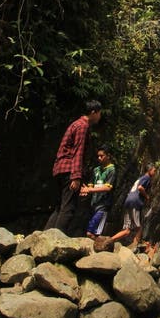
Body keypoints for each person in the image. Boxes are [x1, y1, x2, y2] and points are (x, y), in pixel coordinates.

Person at [44, 100, 102, 235]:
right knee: (68, 208)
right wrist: (76, 176)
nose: (100, 117)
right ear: (93, 112)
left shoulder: (75, 124)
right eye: (99, 114)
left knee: (60, 207)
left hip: (60, 169)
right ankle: (55, 241)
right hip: (69, 170)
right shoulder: (83, 126)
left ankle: (44, 237)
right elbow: (78, 151)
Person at [108, 164, 157, 248]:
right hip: (135, 202)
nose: (155, 173)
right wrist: (147, 197)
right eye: (154, 171)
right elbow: (140, 188)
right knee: (139, 228)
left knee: (127, 230)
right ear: (149, 170)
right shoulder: (147, 178)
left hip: (128, 201)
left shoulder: (140, 178)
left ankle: (109, 240)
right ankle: (135, 246)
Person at [79, 143, 116, 239]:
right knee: (91, 231)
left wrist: (90, 190)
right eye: (98, 156)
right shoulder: (96, 170)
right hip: (94, 203)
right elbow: (91, 185)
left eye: (101, 156)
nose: (99, 158)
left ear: (108, 156)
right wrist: (85, 190)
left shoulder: (112, 170)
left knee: (91, 232)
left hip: (104, 205)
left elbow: (108, 188)